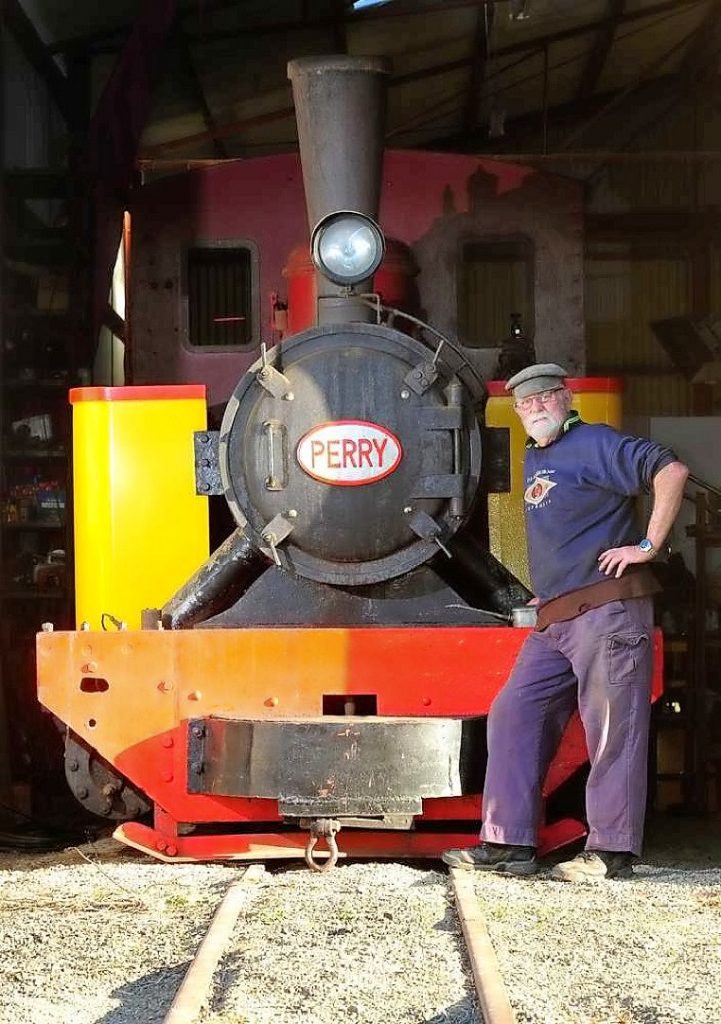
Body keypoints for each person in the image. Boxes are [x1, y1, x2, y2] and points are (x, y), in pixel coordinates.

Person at [443, 363, 689, 881]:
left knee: (610, 729)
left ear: (564, 397)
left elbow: (671, 471)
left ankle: (610, 851)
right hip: (556, 617)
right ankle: (509, 843)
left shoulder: (595, 442)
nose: (535, 407)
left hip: (608, 610)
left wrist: (646, 546)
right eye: (525, 403)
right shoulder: (538, 454)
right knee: (513, 712)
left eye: (545, 398)